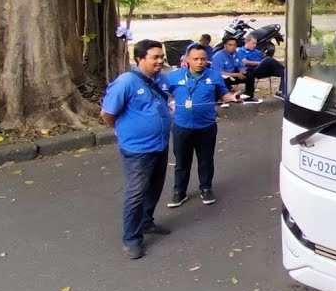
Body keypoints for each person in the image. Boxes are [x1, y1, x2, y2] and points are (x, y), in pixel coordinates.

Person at [101, 39, 174, 260]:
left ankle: (147, 222)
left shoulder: (161, 79)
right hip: (137, 150)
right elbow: (107, 114)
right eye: (155, 57)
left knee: (154, 188)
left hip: (160, 144)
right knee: (136, 193)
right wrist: (125, 130)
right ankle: (131, 238)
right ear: (140, 59)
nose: (160, 60)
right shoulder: (126, 83)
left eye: (161, 57)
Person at [166, 44, 241, 208]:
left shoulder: (214, 76)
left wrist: (232, 97)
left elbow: (224, 94)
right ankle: (179, 191)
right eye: (196, 59)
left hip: (206, 127)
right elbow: (162, 94)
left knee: (206, 159)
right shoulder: (174, 77)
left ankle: (206, 188)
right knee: (182, 161)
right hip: (181, 126)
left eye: (203, 59)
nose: (200, 62)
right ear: (187, 60)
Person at [239, 35, 287, 99]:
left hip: (264, 70)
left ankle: (282, 92)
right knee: (268, 59)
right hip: (253, 71)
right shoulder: (240, 51)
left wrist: (264, 58)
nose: (255, 45)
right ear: (247, 42)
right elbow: (245, 62)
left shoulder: (257, 51)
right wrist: (260, 62)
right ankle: (283, 66)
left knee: (284, 72)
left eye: (256, 43)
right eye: (253, 43)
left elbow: (264, 60)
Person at [211, 37, 255, 102]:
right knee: (224, 79)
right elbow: (218, 72)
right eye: (230, 45)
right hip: (223, 76)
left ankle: (248, 96)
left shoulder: (237, 54)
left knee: (250, 74)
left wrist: (242, 70)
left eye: (234, 45)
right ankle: (225, 98)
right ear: (225, 45)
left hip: (234, 74)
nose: (233, 47)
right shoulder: (218, 56)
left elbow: (241, 65)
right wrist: (236, 74)